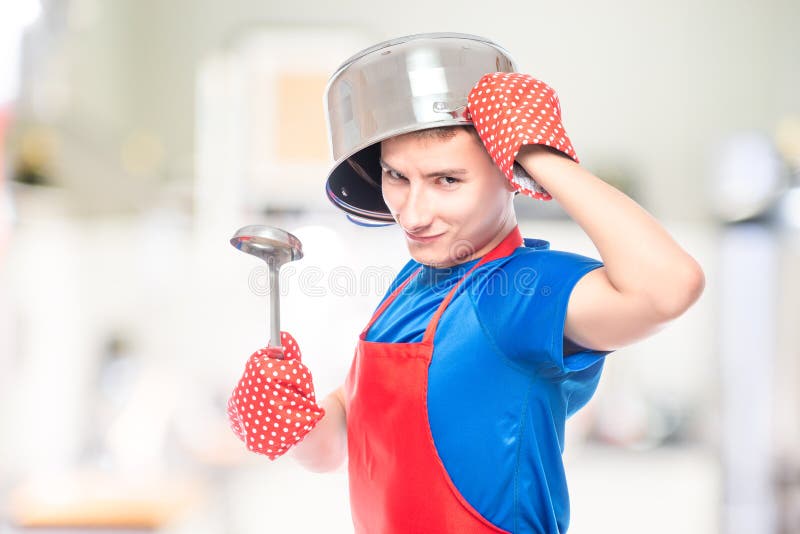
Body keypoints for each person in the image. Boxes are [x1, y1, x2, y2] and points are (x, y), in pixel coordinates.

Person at [227, 42, 705, 534]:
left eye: (447, 180)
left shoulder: (522, 292)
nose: (411, 214)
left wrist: (538, 154)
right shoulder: (409, 284)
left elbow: (671, 287)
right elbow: (343, 444)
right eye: (397, 176)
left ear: (509, 174)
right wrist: (292, 422)